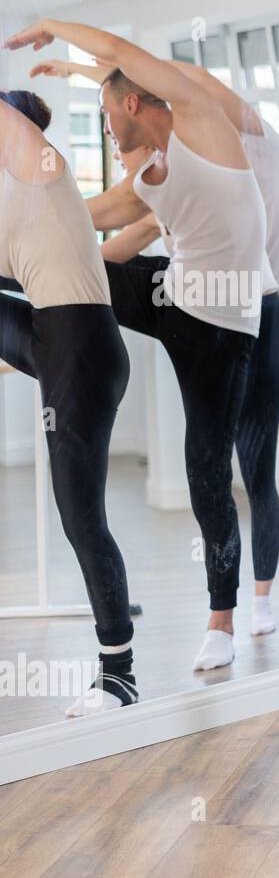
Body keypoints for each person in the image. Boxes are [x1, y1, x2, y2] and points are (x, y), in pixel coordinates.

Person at [5, 17, 278, 672]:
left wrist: (56, 33)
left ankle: (223, 619)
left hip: (225, 324)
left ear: (132, 104)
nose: (103, 123)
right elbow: (87, 224)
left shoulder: (203, 128)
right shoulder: (149, 178)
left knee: (207, 468)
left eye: (105, 108)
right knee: (74, 270)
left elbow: (127, 55)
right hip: (172, 296)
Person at [0, 89, 136, 715]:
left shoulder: (42, 168)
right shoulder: (14, 200)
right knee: (80, 517)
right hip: (56, 339)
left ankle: (119, 672)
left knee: (82, 520)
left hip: (81, 349)